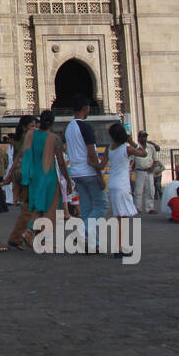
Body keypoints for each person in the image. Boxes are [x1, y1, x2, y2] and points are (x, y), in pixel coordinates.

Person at [64, 96, 105, 249]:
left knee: (86, 209)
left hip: (76, 173)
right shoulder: (85, 127)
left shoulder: (69, 128)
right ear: (85, 108)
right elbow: (92, 154)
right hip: (88, 172)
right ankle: (82, 232)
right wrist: (100, 176)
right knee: (102, 205)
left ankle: (93, 243)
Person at [21, 109, 71, 225]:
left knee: (39, 207)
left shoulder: (31, 134)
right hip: (49, 178)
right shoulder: (55, 139)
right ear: (52, 123)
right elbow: (61, 163)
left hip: (34, 176)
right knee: (50, 208)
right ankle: (32, 233)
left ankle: (37, 238)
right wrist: (68, 180)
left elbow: (25, 155)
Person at [3, 115, 38, 249]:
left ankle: (23, 236)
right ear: (25, 127)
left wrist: (10, 175)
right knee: (31, 208)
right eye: (32, 125)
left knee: (27, 207)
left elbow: (16, 158)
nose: (34, 128)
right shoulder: (28, 138)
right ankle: (17, 237)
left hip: (19, 175)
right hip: (26, 174)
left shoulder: (17, 139)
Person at [103, 123, 144, 220]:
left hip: (112, 184)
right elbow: (144, 153)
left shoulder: (108, 149)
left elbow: (101, 165)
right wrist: (132, 142)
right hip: (122, 185)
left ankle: (120, 235)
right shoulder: (127, 149)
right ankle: (121, 236)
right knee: (123, 217)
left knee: (119, 216)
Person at [131, 131, 156, 213]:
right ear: (139, 138)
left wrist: (152, 168)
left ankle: (150, 208)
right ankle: (138, 208)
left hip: (149, 171)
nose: (144, 138)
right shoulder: (135, 147)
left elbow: (154, 159)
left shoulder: (151, 147)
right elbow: (132, 161)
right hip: (139, 171)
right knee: (138, 191)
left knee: (150, 190)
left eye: (145, 136)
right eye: (142, 137)